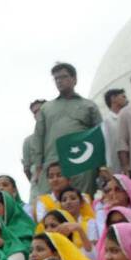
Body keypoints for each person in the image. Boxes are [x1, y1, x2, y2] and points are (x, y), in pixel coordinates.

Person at [33, 62, 102, 197]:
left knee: (83, 200)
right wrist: (38, 166)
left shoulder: (89, 106)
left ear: (74, 79)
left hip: (83, 163)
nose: (59, 81)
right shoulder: (46, 108)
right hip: (53, 164)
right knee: (51, 207)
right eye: (56, 78)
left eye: (63, 77)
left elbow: (100, 137)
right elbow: (39, 137)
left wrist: (101, 166)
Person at [20, 99, 46, 203]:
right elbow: (27, 169)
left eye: (40, 110)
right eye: (34, 112)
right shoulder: (28, 141)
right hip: (38, 188)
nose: (37, 114)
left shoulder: (58, 134)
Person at [102, 88, 128, 173]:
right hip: (116, 169)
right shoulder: (107, 121)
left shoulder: (127, 118)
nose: (126, 99)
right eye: (123, 96)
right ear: (113, 98)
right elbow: (107, 146)